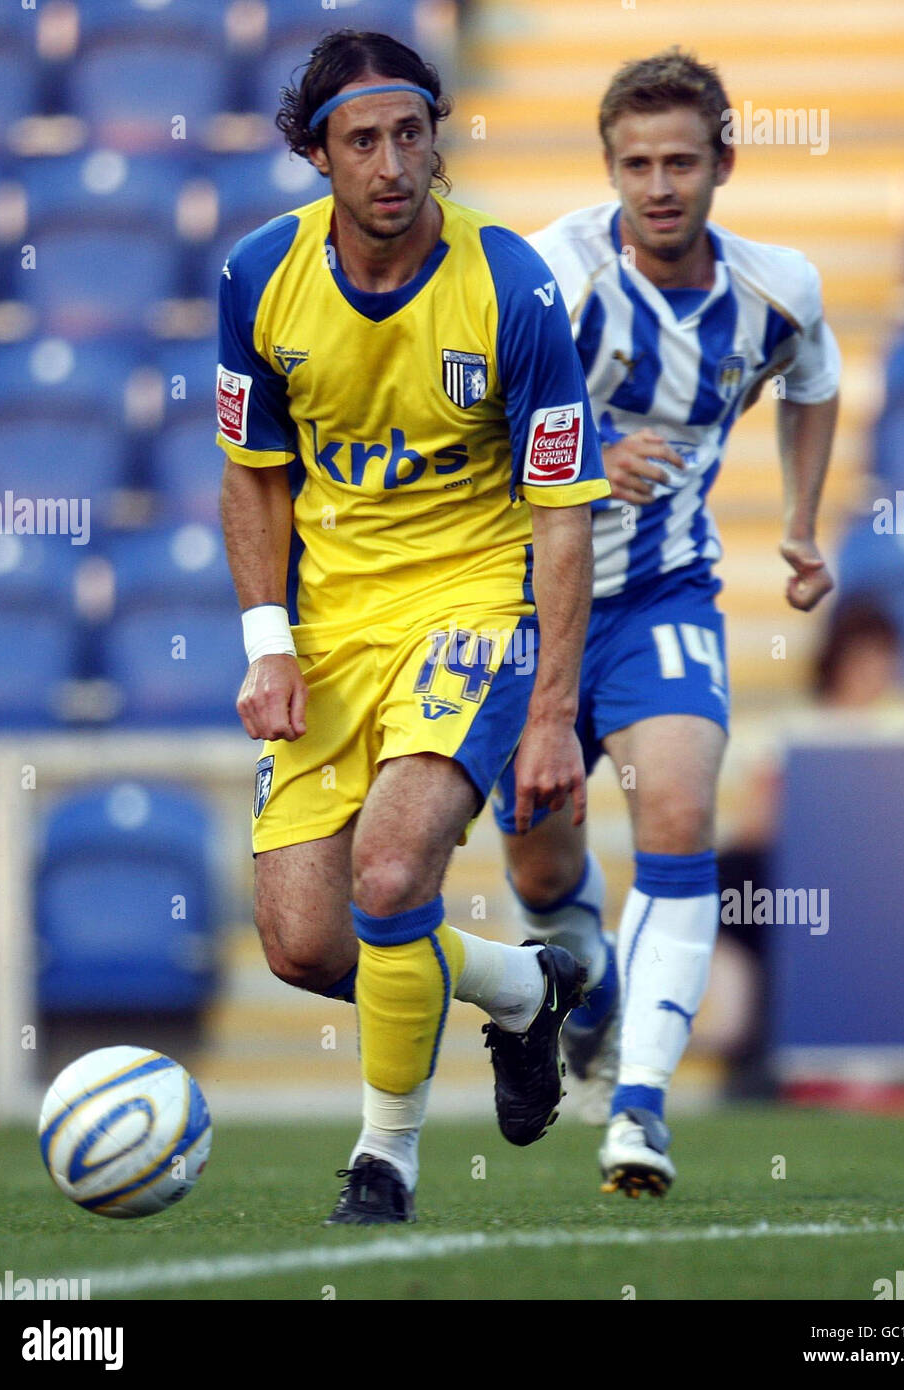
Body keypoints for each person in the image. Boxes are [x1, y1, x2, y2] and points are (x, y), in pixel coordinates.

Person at [216, 30, 610, 1226]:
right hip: (331, 627)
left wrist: (552, 713)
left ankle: (383, 1161)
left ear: (436, 136)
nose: (390, 165)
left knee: (390, 876)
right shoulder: (257, 275)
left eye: (409, 134)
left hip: (471, 610)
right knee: (303, 943)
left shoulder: (510, 284)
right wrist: (267, 641)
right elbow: (251, 473)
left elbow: (561, 512)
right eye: (361, 141)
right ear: (315, 154)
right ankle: (520, 989)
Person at [492, 48, 841, 1197]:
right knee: (538, 856)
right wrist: (590, 449)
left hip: (662, 596)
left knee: (680, 815)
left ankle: (637, 1110)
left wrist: (798, 524)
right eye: (636, 163)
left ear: (720, 164)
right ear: (608, 168)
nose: (657, 185)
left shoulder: (775, 289)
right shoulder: (551, 273)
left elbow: (811, 379)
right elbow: (467, 419)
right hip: (521, 607)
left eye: (679, 162)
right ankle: (586, 981)